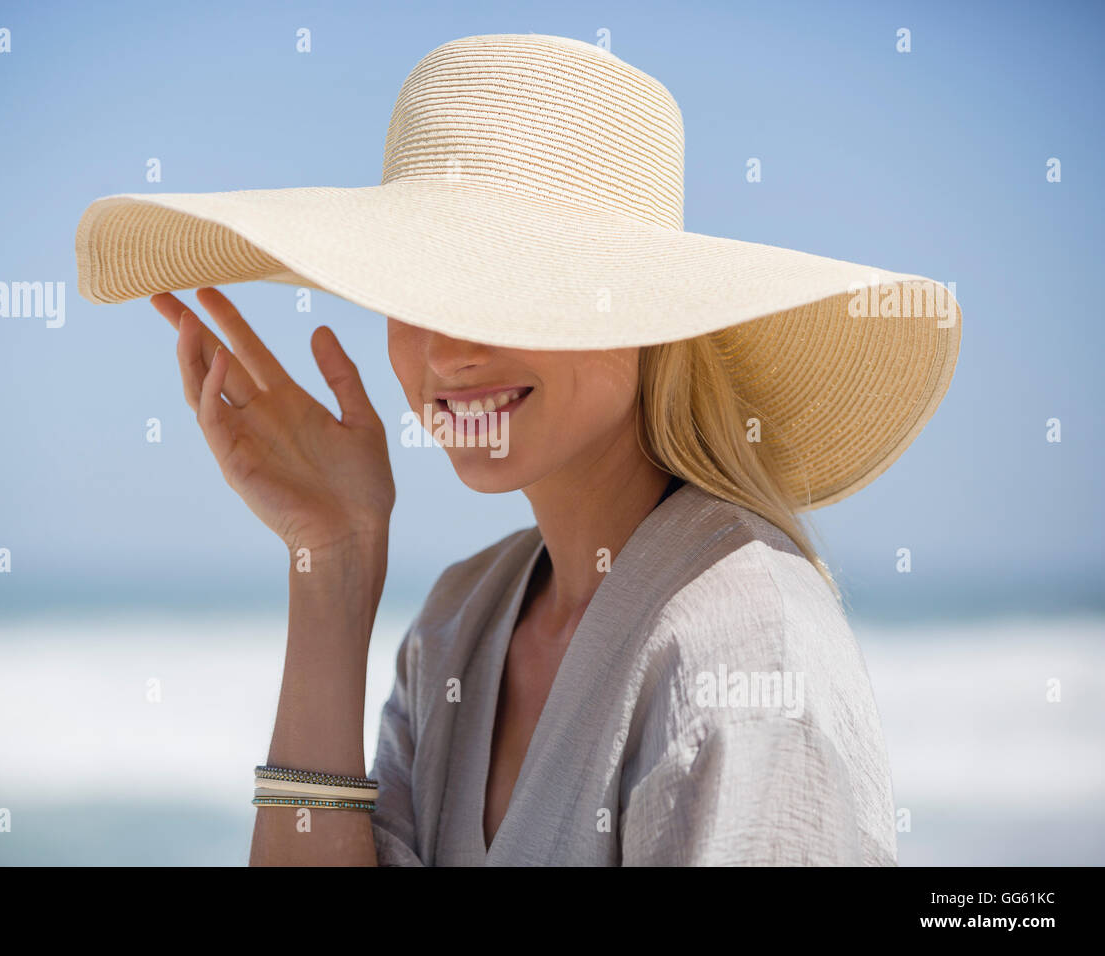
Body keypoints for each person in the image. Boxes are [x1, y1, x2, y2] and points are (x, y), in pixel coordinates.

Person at [77, 33, 961, 866]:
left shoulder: (743, 647)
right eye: (414, 285)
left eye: (513, 285)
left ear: (652, 315)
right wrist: (332, 562)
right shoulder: (458, 626)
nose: (449, 351)